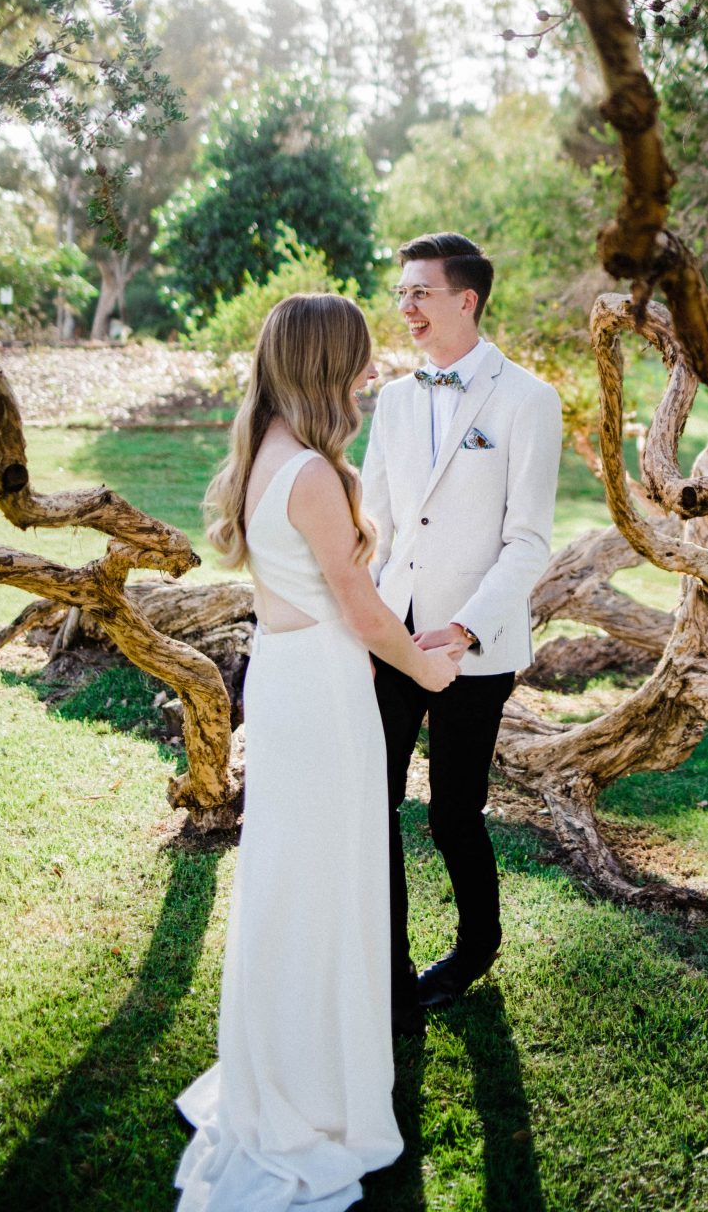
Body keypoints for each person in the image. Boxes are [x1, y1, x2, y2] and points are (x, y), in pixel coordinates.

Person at [174, 293, 458, 1212]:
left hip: (291, 678)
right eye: (360, 360)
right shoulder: (316, 478)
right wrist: (427, 666)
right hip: (322, 691)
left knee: (296, 881)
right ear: (325, 367)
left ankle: (289, 1065)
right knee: (324, 883)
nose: (372, 373)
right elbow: (363, 608)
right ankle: (311, 1095)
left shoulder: (266, 450)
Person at [362, 232, 562, 1035]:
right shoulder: (394, 399)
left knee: (451, 814)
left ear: (465, 300)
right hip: (391, 639)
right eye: (401, 292)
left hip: (475, 647)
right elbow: (370, 525)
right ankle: (387, 977)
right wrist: (373, 623)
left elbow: (529, 542)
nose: (404, 306)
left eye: (419, 292)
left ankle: (476, 947)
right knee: (370, 805)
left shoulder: (527, 399)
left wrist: (465, 628)